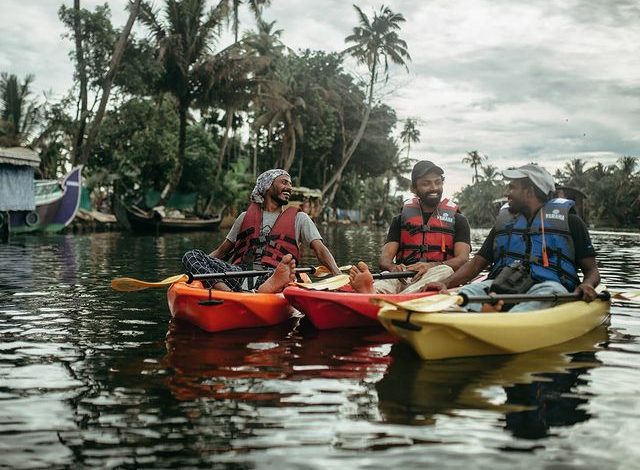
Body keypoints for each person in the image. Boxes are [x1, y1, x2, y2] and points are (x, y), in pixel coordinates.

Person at [428, 163, 600, 311]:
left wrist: (588, 285)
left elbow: (592, 270)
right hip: (505, 284)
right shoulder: (505, 223)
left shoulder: (571, 222)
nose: (506, 192)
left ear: (529, 192)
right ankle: (458, 316)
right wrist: (447, 283)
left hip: (550, 288)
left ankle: (506, 319)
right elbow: (476, 264)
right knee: (468, 293)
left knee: (547, 293)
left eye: (512, 187)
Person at [182, 169, 341, 292]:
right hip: (238, 274)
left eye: (290, 184)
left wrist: (338, 275)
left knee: (287, 274)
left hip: (273, 273)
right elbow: (221, 251)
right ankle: (226, 291)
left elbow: (321, 251)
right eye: (284, 182)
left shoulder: (300, 218)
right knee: (191, 255)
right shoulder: (244, 217)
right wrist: (198, 270)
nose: (289, 188)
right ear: (267, 186)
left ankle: (270, 285)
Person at [350, 160, 471, 294]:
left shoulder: (459, 220)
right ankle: (375, 292)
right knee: (389, 276)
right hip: (405, 275)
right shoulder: (400, 220)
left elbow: (463, 259)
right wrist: (393, 267)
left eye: (438, 182)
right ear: (413, 189)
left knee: (445, 270)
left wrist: (431, 265)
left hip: (438, 275)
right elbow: (384, 259)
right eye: (426, 183)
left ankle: (396, 298)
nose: (434, 188)